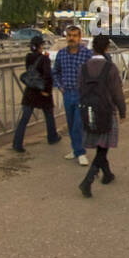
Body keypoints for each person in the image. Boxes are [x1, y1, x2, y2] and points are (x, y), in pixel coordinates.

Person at [77, 34, 126, 196]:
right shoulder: (110, 68)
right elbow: (117, 92)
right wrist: (122, 110)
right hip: (106, 110)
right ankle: (88, 179)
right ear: (106, 48)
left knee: (100, 144)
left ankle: (107, 174)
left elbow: (80, 89)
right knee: (104, 146)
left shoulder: (84, 67)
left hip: (89, 110)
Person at [10, 33, 60, 153]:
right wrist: (47, 91)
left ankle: (17, 143)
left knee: (25, 118)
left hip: (30, 91)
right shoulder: (44, 59)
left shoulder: (28, 57)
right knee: (49, 115)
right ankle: (52, 137)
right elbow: (47, 76)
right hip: (42, 91)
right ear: (41, 45)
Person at [52, 30, 93, 161]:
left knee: (78, 124)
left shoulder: (87, 54)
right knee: (70, 124)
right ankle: (75, 149)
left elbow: (94, 73)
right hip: (67, 94)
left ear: (80, 38)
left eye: (75, 36)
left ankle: (81, 152)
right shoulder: (61, 54)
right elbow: (55, 72)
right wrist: (60, 86)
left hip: (82, 94)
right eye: (69, 35)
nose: (71, 38)